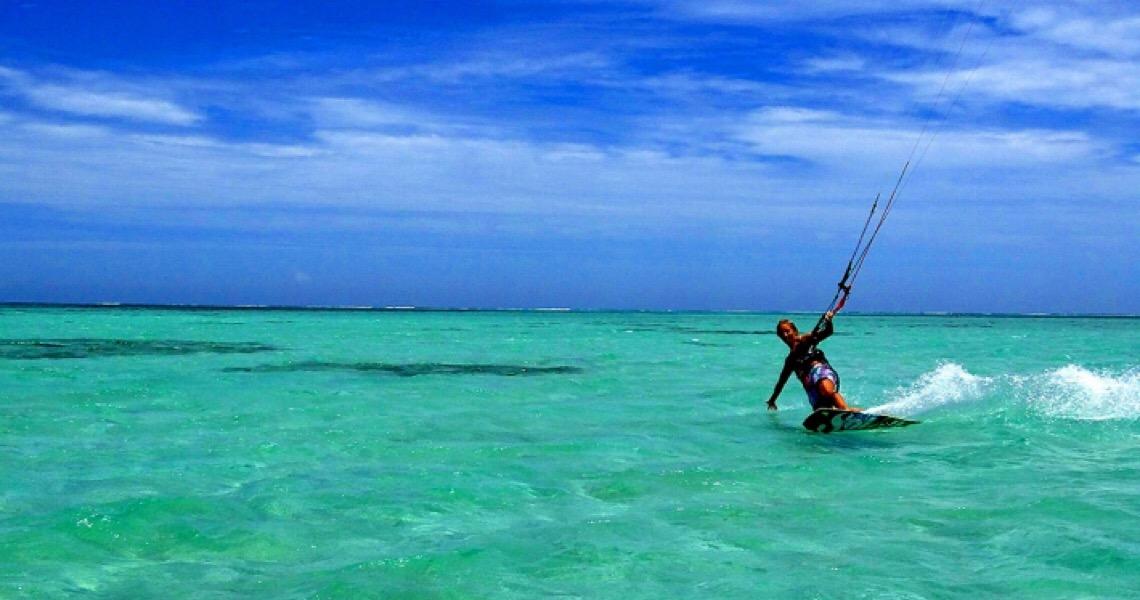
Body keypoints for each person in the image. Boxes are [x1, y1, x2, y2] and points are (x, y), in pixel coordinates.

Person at [766, 311, 852, 412]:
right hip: (810, 386)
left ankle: (846, 411)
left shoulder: (806, 340)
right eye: (782, 333)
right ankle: (858, 413)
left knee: (826, 390)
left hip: (820, 373)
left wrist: (828, 320)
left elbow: (828, 332)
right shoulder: (790, 360)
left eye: (787, 331)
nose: (785, 335)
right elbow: (781, 383)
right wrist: (772, 400)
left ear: (794, 331)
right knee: (822, 411)